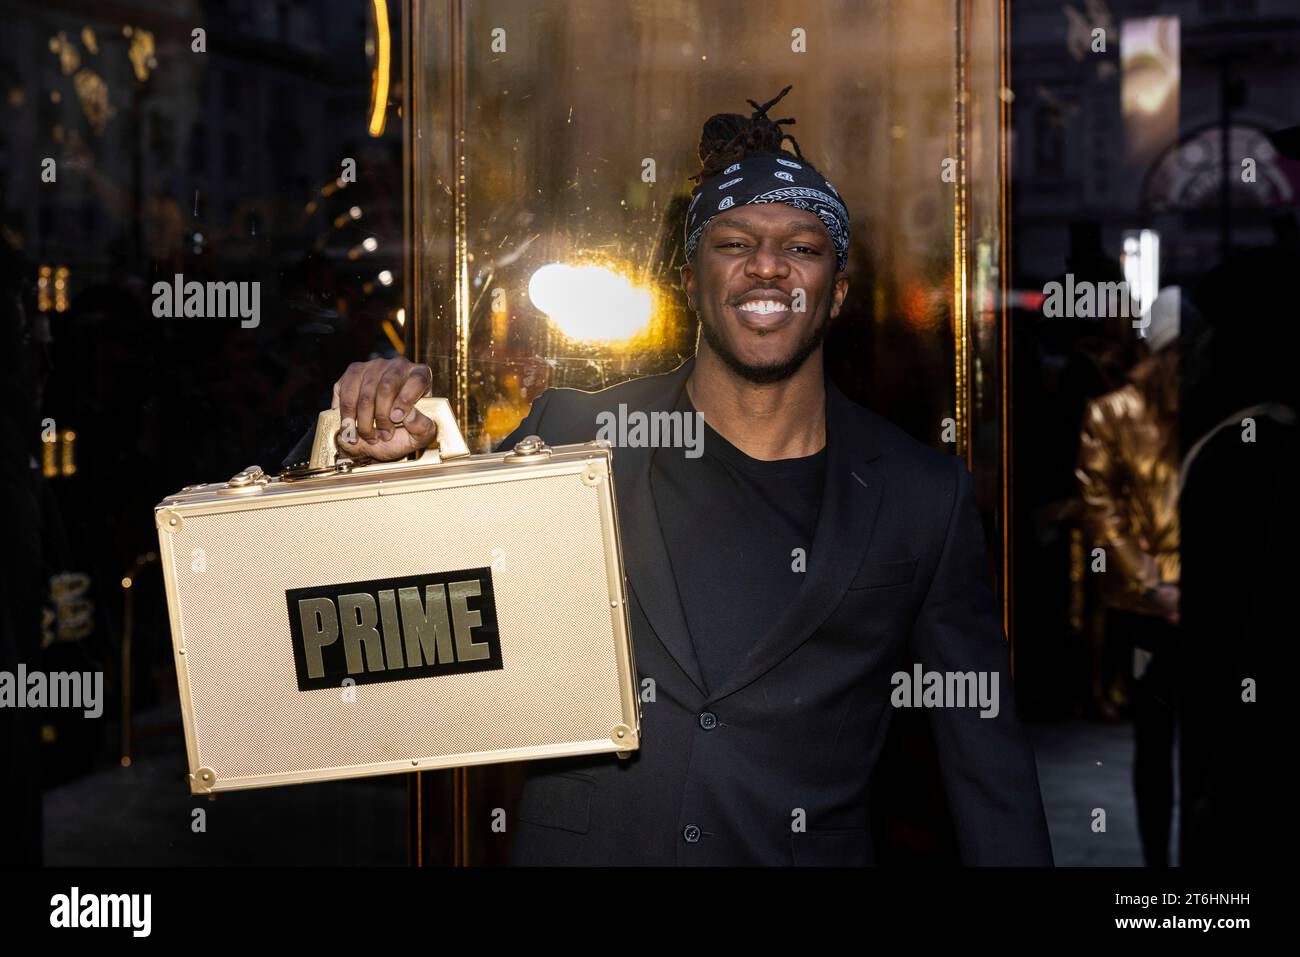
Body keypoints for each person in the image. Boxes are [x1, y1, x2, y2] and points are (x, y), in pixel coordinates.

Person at [286, 87, 1052, 865]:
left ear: (838, 293)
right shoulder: (575, 434)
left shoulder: (923, 497)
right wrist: (365, 440)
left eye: (802, 246)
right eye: (733, 242)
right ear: (690, 281)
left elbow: (987, 768)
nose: (766, 265)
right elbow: (400, 586)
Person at [1074, 286, 1181, 866]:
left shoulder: (1205, 408)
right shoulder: (1112, 413)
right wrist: (1152, 585)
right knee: (1154, 743)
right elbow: (1101, 509)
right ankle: (1157, 868)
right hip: (1148, 608)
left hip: (1195, 604)